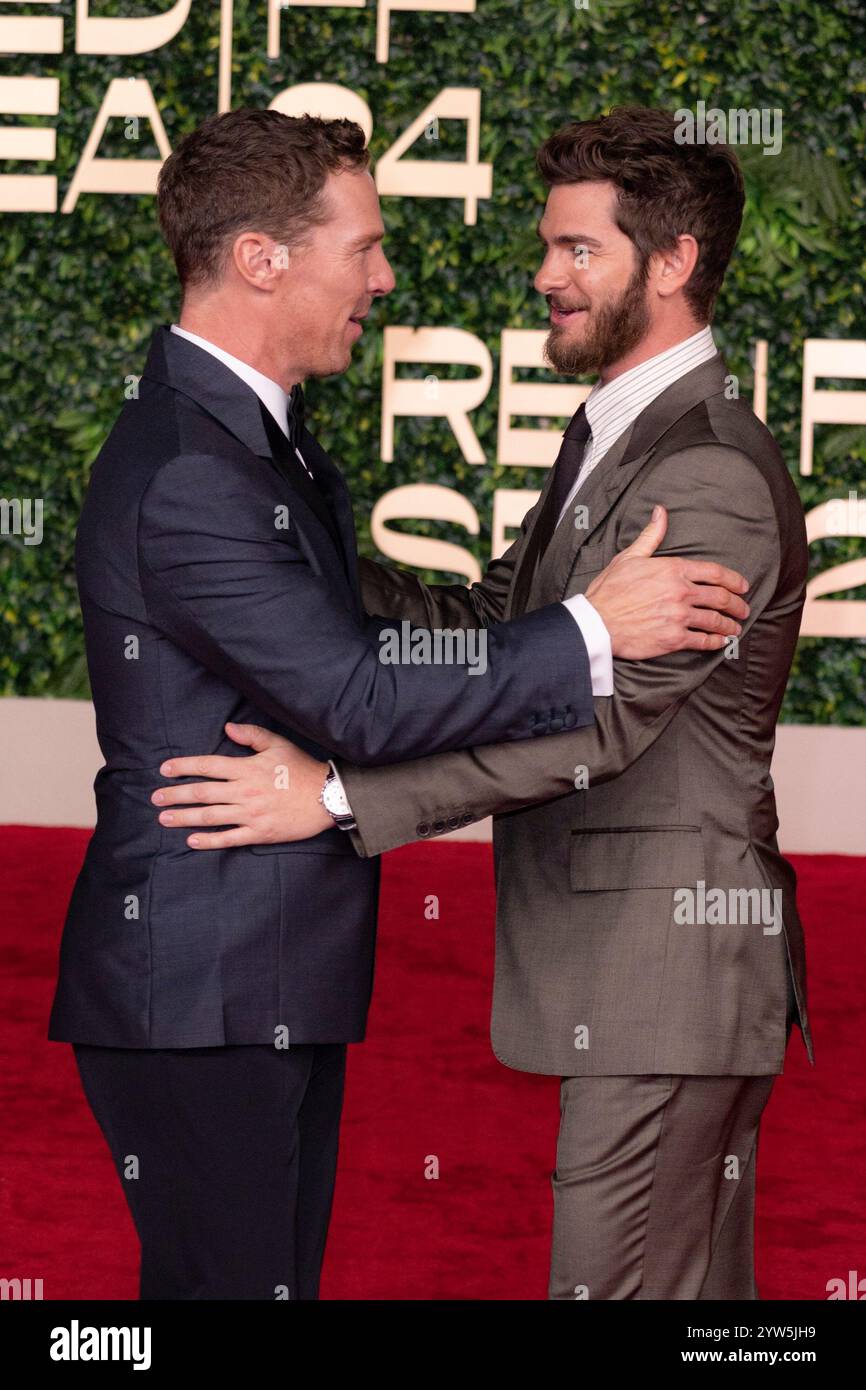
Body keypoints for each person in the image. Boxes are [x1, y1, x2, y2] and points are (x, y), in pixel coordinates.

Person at [47, 107, 748, 1302]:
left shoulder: (259, 443)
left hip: (248, 972)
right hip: (205, 980)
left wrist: (331, 784)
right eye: (362, 246)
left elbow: (369, 638)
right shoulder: (193, 468)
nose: (383, 274)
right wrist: (590, 628)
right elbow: (358, 692)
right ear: (263, 258)